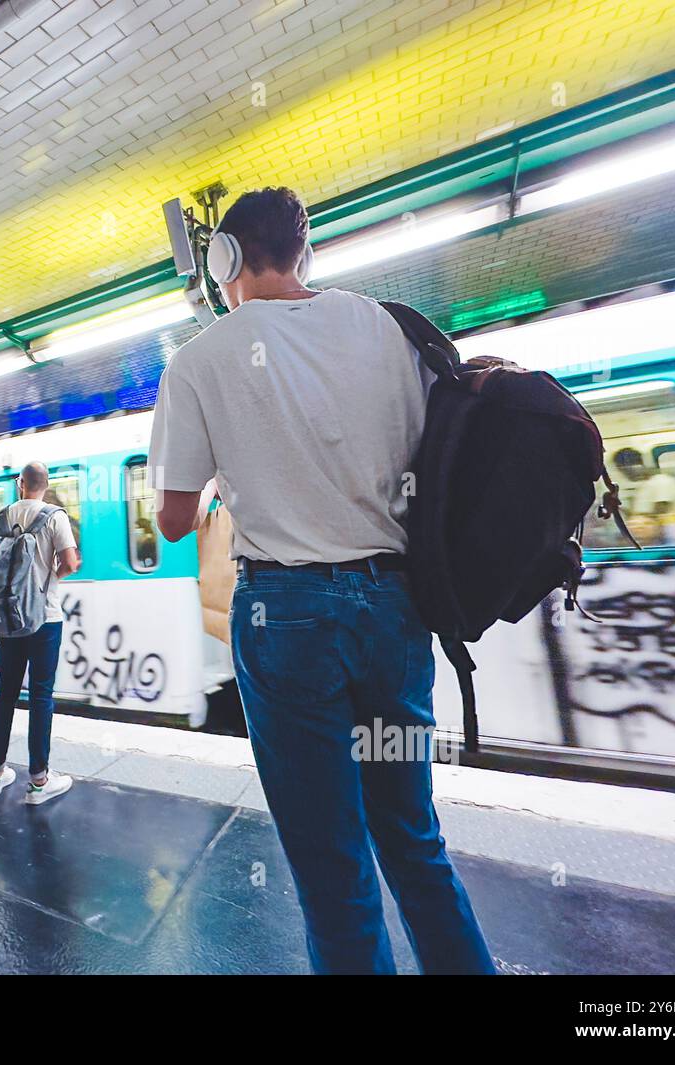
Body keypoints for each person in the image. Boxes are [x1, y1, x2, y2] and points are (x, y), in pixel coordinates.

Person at [148, 187, 495, 975]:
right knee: (414, 839)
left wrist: (230, 463)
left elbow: (172, 520)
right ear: (306, 251)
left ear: (224, 258)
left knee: (332, 865)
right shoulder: (388, 329)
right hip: (394, 612)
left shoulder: (202, 357)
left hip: (288, 620)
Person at [0, 461, 79, 804]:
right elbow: (68, 562)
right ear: (46, 485)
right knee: (40, 695)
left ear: (20, 483)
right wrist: (47, 581)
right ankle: (39, 781)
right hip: (45, 617)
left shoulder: (1, 517)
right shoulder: (55, 517)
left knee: (5, 694)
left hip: (9, 618)